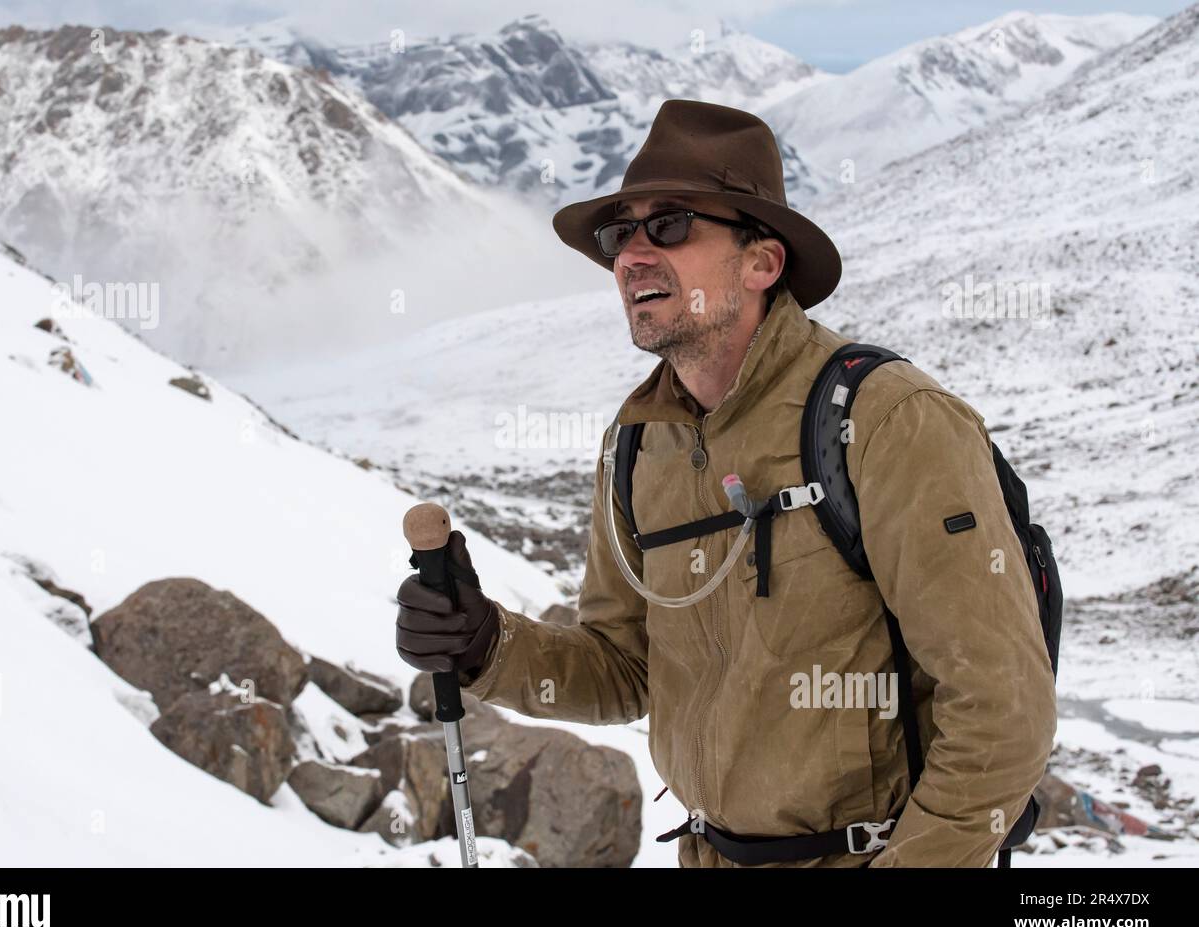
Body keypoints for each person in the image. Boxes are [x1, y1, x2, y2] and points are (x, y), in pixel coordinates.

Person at [395, 99, 1057, 867]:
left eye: (670, 225)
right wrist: (487, 644)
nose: (633, 255)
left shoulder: (884, 419)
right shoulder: (638, 445)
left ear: (762, 262)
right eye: (621, 234)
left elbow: (1001, 709)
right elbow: (626, 667)